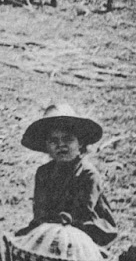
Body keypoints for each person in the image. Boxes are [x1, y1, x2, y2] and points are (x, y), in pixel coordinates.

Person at [17, 102, 118, 247]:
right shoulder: (43, 173)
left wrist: (58, 226)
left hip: (86, 230)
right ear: (46, 146)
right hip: (51, 228)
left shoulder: (88, 174)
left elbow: (82, 212)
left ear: (81, 143)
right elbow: (40, 211)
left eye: (68, 139)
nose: (61, 145)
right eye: (53, 141)